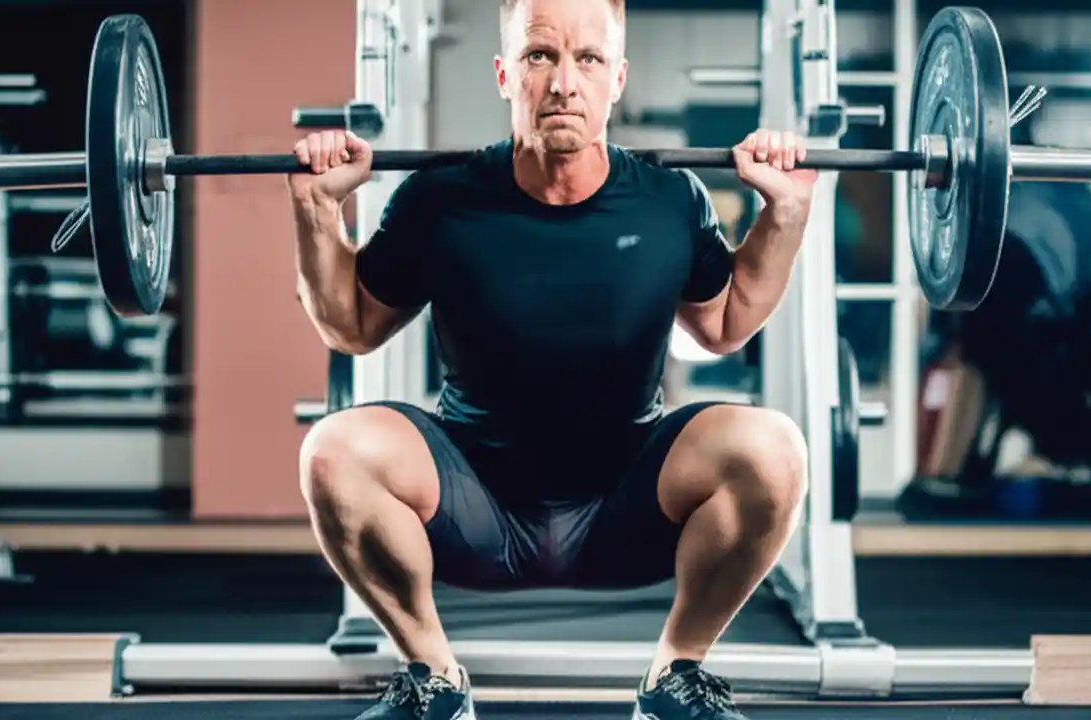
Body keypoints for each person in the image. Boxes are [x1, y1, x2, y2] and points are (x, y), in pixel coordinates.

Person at [286, 0, 816, 717]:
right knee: (332, 452)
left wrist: (783, 214)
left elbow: (724, 324)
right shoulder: (441, 201)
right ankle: (436, 682)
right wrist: (317, 215)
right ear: (506, 74)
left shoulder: (668, 199)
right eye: (541, 56)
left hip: (628, 501)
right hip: (471, 500)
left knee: (774, 449)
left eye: (588, 59)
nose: (564, 82)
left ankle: (673, 679)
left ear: (616, 78)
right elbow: (350, 326)